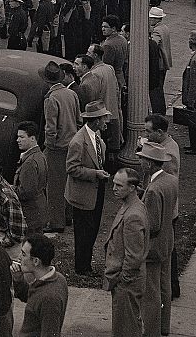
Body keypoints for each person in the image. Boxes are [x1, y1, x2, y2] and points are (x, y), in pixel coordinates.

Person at [65, 100, 111, 276]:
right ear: (96, 120)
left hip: (96, 190)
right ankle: (82, 267)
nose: (106, 121)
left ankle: (86, 264)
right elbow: (71, 168)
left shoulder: (96, 136)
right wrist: (95, 173)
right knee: (83, 232)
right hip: (83, 195)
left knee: (92, 229)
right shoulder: (78, 142)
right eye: (104, 118)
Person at [138, 142, 179, 337]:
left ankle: (151, 331)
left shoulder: (154, 189)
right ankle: (164, 327)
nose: (140, 162)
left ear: (149, 163)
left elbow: (153, 225)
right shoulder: (171, 180)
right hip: (167, 240)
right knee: (165, 286)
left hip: (153, 247)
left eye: (142, 159)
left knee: (151, 291)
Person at [103, 168, 149, 337]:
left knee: (126, 329)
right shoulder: (132, 206)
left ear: (132, 188)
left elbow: (134, 256)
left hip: (127, 284)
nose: (114, 188)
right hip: (125, 282)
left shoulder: (133, 215)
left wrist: (122, 281)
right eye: (114, 184)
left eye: (119, 185)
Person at [40, 62, 77, 233]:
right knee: (68, 182)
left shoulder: (51, 98)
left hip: (57, 148)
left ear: (47, 80)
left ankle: (56, 222)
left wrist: (49, 145)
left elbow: (51, 128)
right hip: (72, 144)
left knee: (54, 186)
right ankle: (68, 216)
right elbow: (78, 120)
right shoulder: (71, 94)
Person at [12, 235, 68, 337]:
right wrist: (18, 278)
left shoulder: (49, 298)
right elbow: (31, 297)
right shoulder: (58, 278)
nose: (19, 257)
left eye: (23, 254)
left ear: (36, 261)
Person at [14, 121, 48, 239]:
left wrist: (10, 190)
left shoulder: (29, 162)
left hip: (30, 214)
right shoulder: (40, 155)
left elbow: (26, 192)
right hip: (39, 209)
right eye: (18, 137)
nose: (18, 140)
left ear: (32, 138)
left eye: (22, 137)